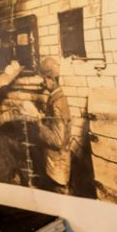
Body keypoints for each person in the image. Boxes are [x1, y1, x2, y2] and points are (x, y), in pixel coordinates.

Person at [35, 56, 72, 193]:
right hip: (55, 167)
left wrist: (39, 124)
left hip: (57, 172)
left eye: (44, 79)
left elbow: (57, 141)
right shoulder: (57, 98)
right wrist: (45, 118)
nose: (43, 83)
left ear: (52, 79)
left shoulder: (57, 103)